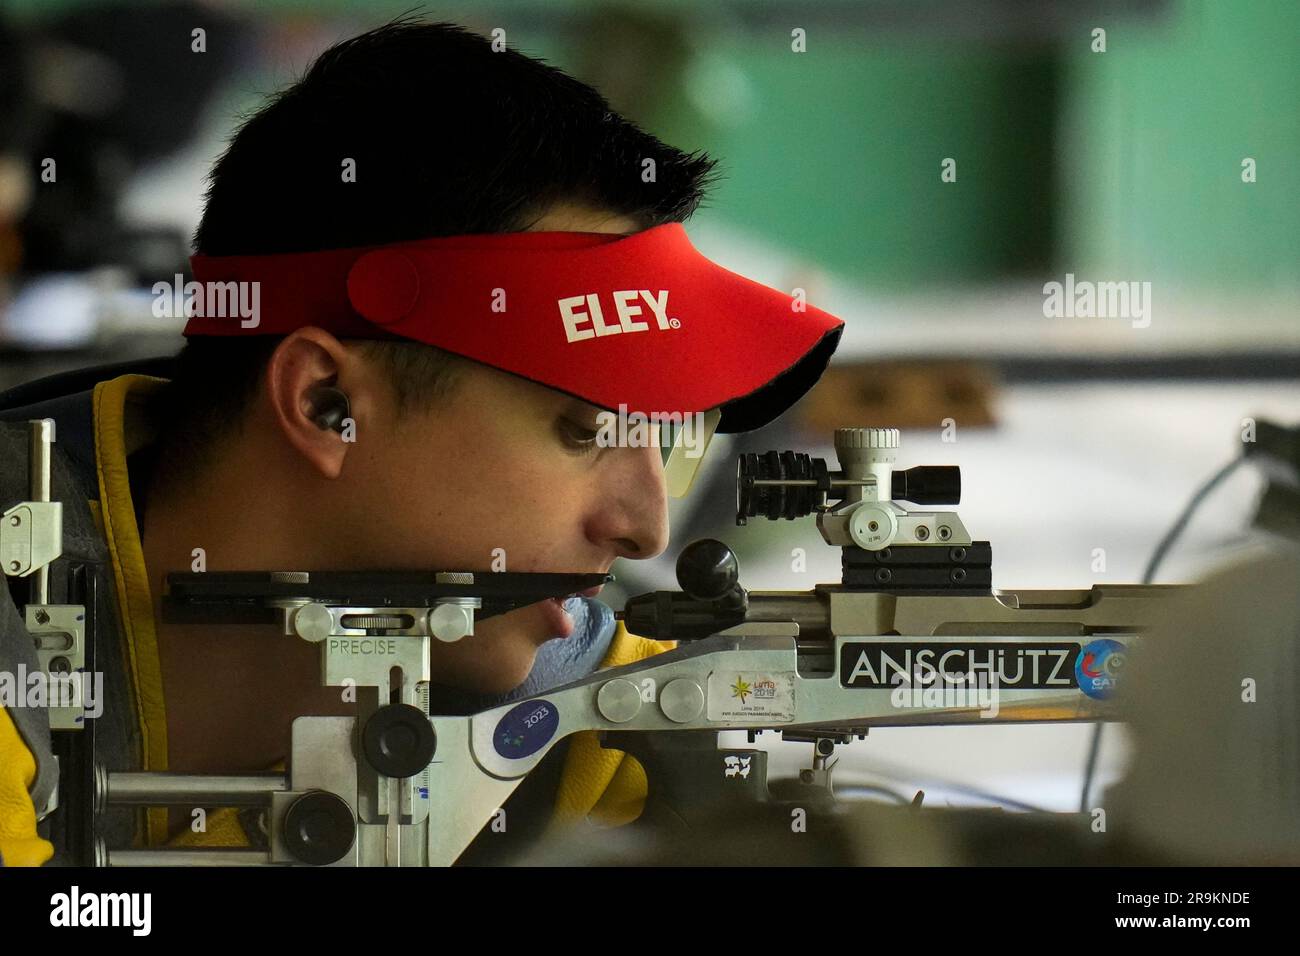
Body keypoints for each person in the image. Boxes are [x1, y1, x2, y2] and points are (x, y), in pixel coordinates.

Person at [0, 18, 843, 866]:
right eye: (586, 430)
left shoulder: (558, 674)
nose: (647, 527)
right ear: (327, 403)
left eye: (662, 440)